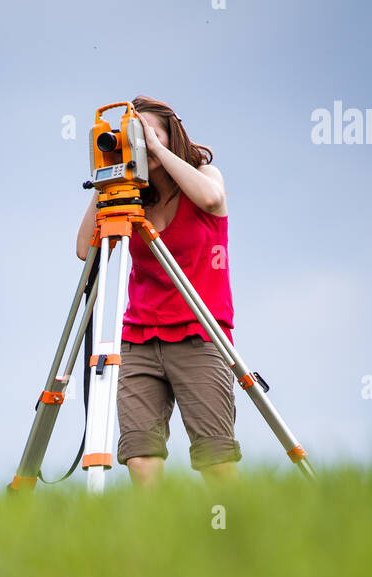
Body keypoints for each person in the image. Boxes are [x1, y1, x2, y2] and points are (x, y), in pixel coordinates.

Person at [76, 95, 240, 489]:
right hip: (139, 339)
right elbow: (86, 249)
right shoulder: (134, 203)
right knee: (140, 455)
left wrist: (157, 150)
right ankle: (157, 543)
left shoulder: (206, 176)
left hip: (200, 334)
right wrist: (109, 176)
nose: (139, 141)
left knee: (215, 458)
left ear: (170, 136)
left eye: (146, 131)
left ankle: (232, 536)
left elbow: (212, 198)